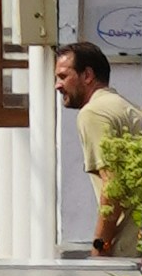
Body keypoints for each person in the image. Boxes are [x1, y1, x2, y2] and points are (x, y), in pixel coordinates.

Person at [57, 37, 133, 257]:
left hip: (127, 246)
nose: (57, 85)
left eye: (63, 76)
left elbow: (113, 186)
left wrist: (100, 246)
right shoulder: (121, 106)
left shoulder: (93, 113)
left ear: (87, 75)